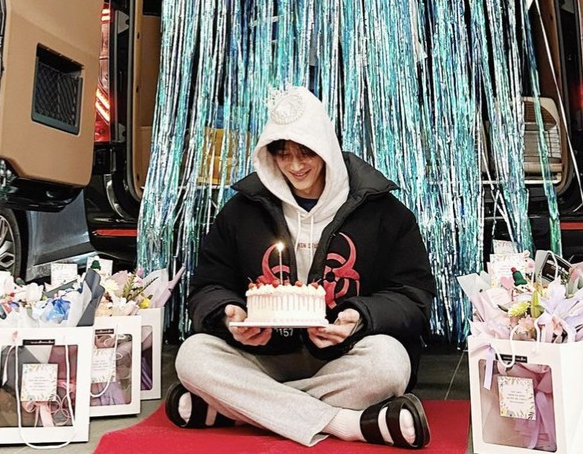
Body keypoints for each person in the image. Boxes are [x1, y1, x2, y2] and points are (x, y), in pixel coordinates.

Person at [166, 86, 436, 448]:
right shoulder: (241, 211)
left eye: (306, 152)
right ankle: (348, 423)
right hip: (263, 356)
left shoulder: (384, 212)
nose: (295, 166)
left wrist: (359, 317)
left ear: (326, 147)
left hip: (344, 355)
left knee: (388, 365)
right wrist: (229, 316)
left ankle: (236, 408)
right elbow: (207, 287)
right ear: (269, 154)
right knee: (193, 356)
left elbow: (414, 297)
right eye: (283, 154)